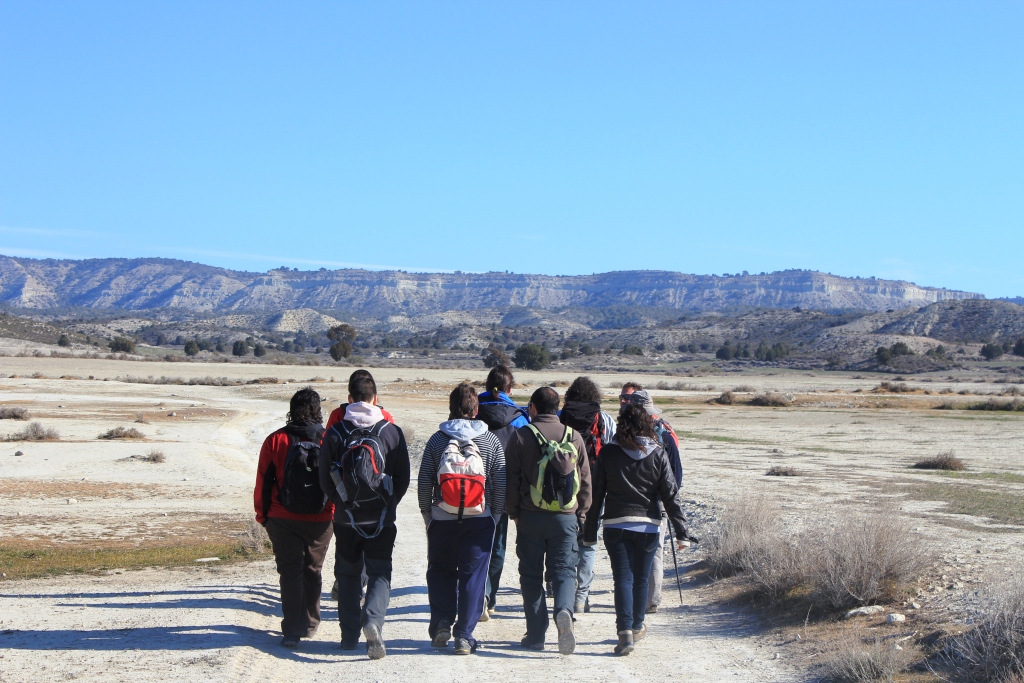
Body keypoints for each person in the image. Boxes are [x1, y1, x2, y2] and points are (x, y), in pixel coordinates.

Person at [582, 403, 695, 656]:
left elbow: (596, 495)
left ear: (621, 424)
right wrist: (682, 532)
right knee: (641, 579)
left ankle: (624, 634)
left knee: (622, 578)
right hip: (648, 526)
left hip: (615, 524)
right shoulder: (657, 452)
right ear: (647, 424)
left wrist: (589, 532)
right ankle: (636, 626)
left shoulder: (608, 452)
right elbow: (671, 495)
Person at [319, 373, 410, 660]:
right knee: (380, 572)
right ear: (376, 399)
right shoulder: (391, 432)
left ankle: (348, 637)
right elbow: (404, 477)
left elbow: (324, 480)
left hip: (346, 519)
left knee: (347, 573)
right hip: (381, 519)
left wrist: (341, 502)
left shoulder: (335, 433)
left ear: (349, 399)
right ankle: (373, 621)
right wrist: (389, 504)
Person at [418, 383, 506, 655]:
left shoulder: (437, 439)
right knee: (472, 576)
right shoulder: (490, 440)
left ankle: (442, 622)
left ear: (450, 407)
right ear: (476, 409)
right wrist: (495, 515)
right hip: (480, 519)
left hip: (441, 518)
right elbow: (499, 482)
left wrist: (427, 515)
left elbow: (424, 481)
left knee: (440, 571)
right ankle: (464, 636)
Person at [505, 386, 591, 654]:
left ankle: (536, 634)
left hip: (530, 517)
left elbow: (511, 482)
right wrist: (582, 515)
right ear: (558, 409)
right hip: (565, 518)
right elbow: (586, 481)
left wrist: (514, 513)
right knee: (564, 571)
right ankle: (564, 612)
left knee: (531, 575)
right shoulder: (574, 436)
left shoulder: (521, 436)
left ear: (532, 407)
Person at [253, 388, 334, 649]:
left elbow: (263, 482)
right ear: (318, 409)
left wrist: (263, 516)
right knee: (313, 569)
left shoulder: (275, 440)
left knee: (290, 572)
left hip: (281, 517)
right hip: (321, 518)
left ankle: (291, 630)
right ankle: (310, 623)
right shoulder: (329, 439)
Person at [325, 370, 394, 601]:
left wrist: (334, 495)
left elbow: (327, 452)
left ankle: (345, 582)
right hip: (377, 495)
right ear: (374, 396)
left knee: (345, 540)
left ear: (350, 396)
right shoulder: (386, 418)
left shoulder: (337, 415)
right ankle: (361, 585)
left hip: (344, 493)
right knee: (372, 539)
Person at [619, 383, 683, 614]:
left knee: (630, 553)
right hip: (658, 502)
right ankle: (650, 600)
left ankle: (636, 599)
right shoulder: (665, 432)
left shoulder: (623, 434)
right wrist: (668, 499)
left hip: (629, 502)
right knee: (654, 551)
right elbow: (676, 473)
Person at [474, 364, 529, 620]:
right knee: (497, 545)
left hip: (471, 488)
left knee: (473, 542)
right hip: (505, 490)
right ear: (510, 388)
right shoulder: (518, 417)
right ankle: (489, 597)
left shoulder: (472, 410)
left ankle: (476, 593)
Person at [559, 376, 615, 614]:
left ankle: (563, 588)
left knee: (564, 540)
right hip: (595, 487)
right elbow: (611, 451)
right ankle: (581, 598)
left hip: (563, 487)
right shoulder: (603, 419)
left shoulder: (562, 417)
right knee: (588, 541)